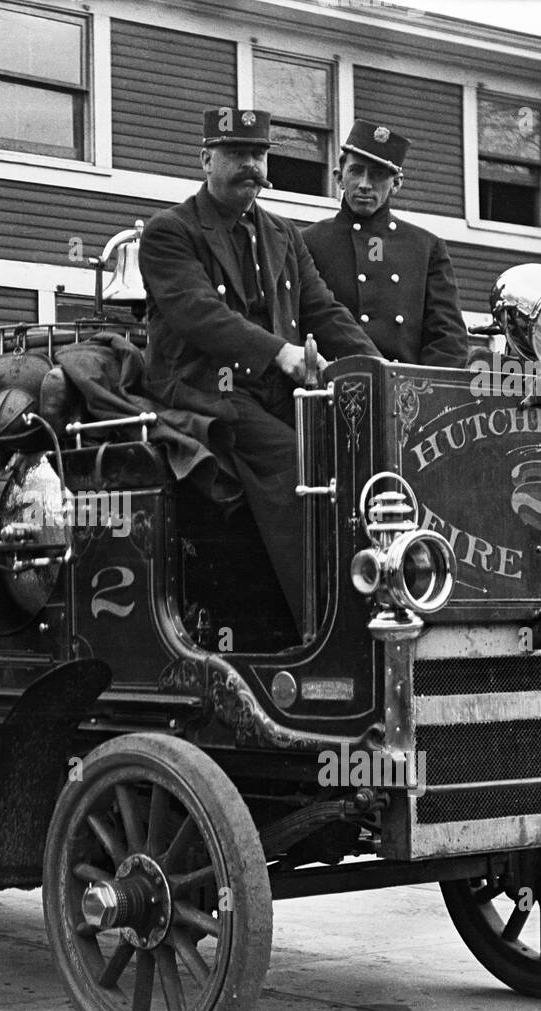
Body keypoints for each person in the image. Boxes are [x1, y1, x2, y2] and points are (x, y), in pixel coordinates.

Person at [138, 107, 380, 625]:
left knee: (365, 453)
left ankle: (388, 596)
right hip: (204, 390)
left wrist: (381, 369)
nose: (252, 165)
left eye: (259, 154)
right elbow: (201, 316)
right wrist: (281, 352)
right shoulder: (169, 232)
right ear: (205, 159)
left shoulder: (282, 234)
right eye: (236, 154)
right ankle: (323, 627)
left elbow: (325, 311)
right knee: (302, 466)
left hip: (274, 394)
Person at [303, 120, 468, 368]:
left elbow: (448, 340)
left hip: (407, 394)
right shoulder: (308, 242)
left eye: (378, 174)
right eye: (356, 171)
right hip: (333, 387)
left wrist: (422, 394)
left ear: (397, 183)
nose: (365, 184)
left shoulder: (426, 248)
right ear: (339, 177)